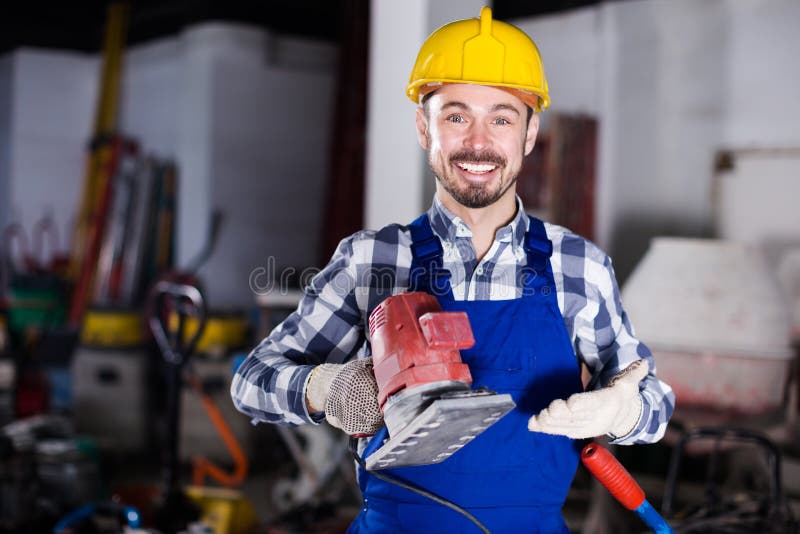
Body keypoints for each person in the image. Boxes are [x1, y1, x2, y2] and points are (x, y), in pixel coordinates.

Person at [232, 6, 674, 533]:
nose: (478, 142)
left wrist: (622, 413)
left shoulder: (578, 266)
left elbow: (654, 401)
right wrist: (324, 390)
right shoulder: (371, 259)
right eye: (456, 115)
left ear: (530, 134)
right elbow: (250, 381)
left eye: (502, 118)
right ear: (424, 126)